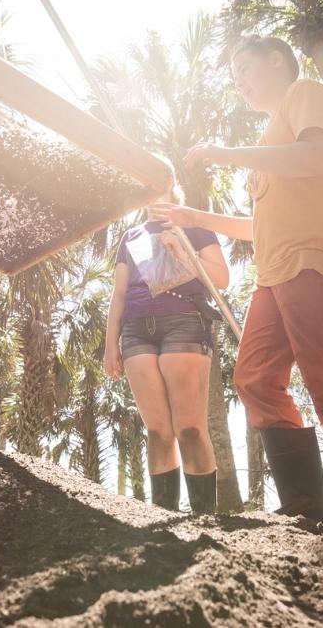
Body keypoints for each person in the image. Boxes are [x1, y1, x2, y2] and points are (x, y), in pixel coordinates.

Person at [150, 35, 323, 569]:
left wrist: (225, 152)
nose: (239, 81)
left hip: (315, 260)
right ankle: (308, 522)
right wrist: (197, 219)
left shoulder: (305, 93)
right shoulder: (271, 136)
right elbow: (258, 225)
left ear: (276, 61)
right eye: (234, 73)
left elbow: (318, 156)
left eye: (245, 68)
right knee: (256, 380)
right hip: (275, 272)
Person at [104, 184, 230, 514]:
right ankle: (164, 521)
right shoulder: (130, 236)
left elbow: (222, 278)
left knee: (189, 430)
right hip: (135, 330)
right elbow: (118, 294)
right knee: (158, 433)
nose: (150, 194)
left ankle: (205, 523)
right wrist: (109, 345)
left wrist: (182, 251)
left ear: (170, 186)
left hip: (184, 320)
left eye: (156, 185)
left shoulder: (195, 225)